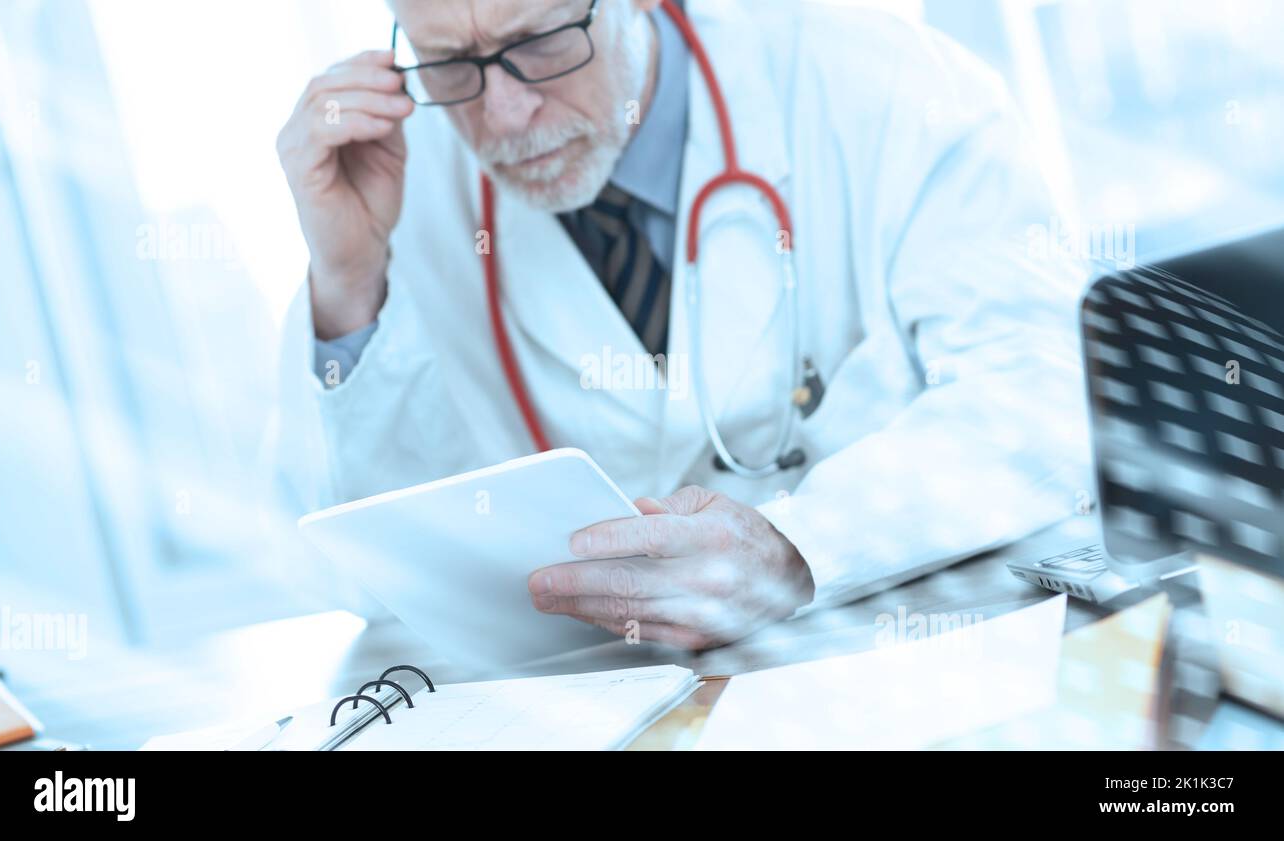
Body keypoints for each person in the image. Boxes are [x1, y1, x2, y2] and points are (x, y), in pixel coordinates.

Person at [274, 0, 1091, 649]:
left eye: (544, 40)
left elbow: (1045, 401)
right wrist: (347, 281)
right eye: (453, 63)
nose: (506, 114)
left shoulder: (884, 84)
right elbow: (365, 577)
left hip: (925, 653)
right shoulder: (395, 184)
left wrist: (795, 547)